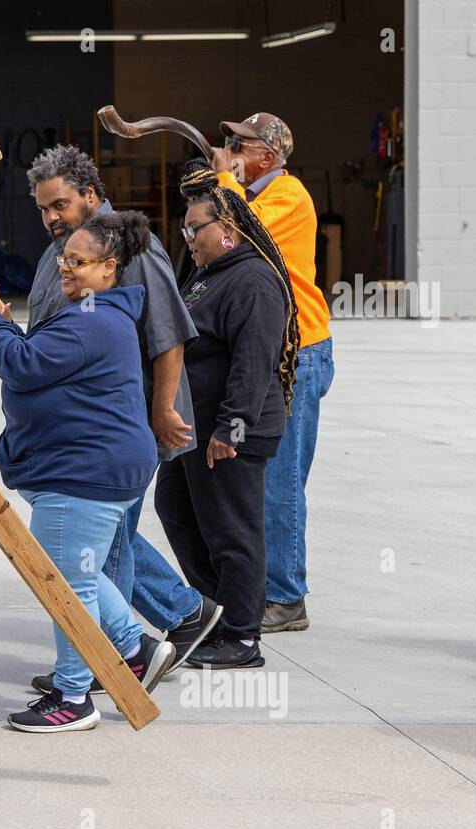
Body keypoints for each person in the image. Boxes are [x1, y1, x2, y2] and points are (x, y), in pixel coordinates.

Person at [0, 210, 177, 732]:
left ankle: (74, 696)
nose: (67, 268)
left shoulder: (92, 319)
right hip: (87, 468)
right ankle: (136, 648)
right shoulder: (94, 313)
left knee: (64, 586)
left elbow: (22, 365)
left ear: (110, 268)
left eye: (79, 262)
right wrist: (7, 327)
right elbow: (34, 359)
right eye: (65, 259)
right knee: (74, 574)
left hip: (83, 471)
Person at [23, 145, 224, 695]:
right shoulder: (61, 251)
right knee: (102, 540)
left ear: (91, 195)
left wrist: (162, 411)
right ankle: (181, 615)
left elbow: (168, 337)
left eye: (60, 204)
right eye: (43, 209)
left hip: (123, 425)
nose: (51, 218)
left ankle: (102, 668)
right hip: (77, 428)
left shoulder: (131, 251)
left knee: (94, 550)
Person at [157, 160, 300, 669]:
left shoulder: (253, 282)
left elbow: (254, 364)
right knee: (175, 508)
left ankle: (242, 634)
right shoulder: (208, 274)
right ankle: (214, 612)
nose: (189, 236)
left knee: (233, 529)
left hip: (231, 431)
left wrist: (230, 430)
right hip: (196, 429)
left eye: (197, 228)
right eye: (185, 228)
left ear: (230, 230)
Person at [212, 113, 334, 633]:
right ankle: (266, 588)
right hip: (277, 350)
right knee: (262, 475)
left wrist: (219, 179)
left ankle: (285, 598)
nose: (229, 146)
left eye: (239, 142)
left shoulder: (287, 195)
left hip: (300, 349)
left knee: (282, 480)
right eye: (227, 140)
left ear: (268, 155)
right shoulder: (255, 192)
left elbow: (234, 231)